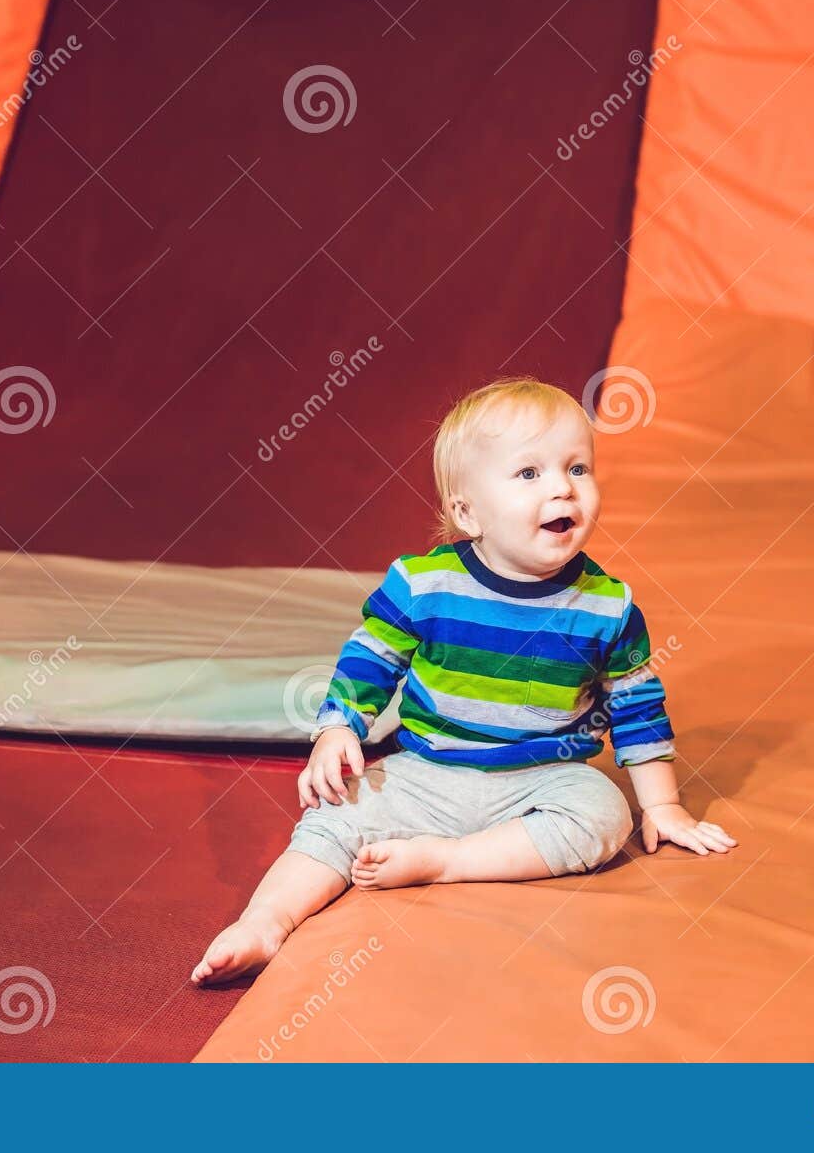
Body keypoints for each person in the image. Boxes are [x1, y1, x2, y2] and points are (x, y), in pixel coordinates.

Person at [192, 376, 733, 985]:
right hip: (427, 771)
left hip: (540, 780)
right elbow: (371, 658)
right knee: (333, 814)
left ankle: (448, 861)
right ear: (466, 512)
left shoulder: (607, 607)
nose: (562, 487)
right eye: (529, 474)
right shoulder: (425, 585)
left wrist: (663, 805)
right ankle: (266, 921)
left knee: (605, 812)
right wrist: (339, 727)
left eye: (577, 467)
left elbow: (637, 706)